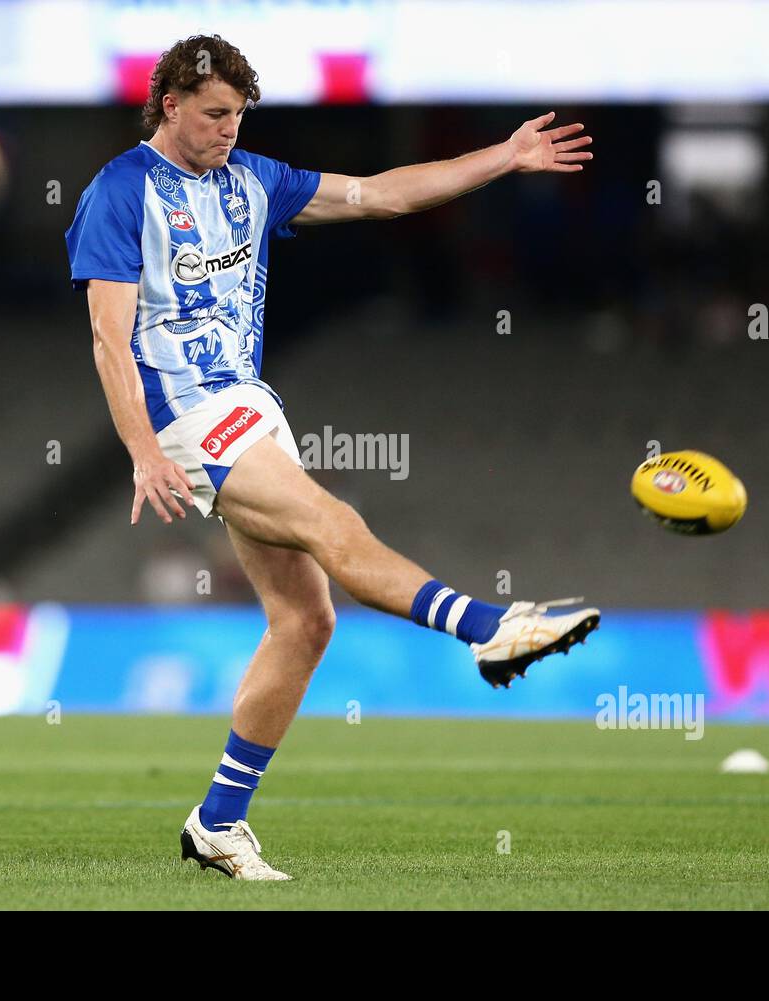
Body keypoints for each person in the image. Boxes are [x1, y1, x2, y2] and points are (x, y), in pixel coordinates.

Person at [66, 34, 599, 881]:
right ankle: (491, 627)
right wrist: (140, 450)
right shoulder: (118, 193)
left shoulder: (254, 181)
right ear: (169, 104)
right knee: (331, 520)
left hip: (248, 405)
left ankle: (216, 825)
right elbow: (107, 336)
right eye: (213, 115)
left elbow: (383, 196)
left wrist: (503, 156)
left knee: (305, 622)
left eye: (238, 115)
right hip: (186, 416)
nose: (228, 130)